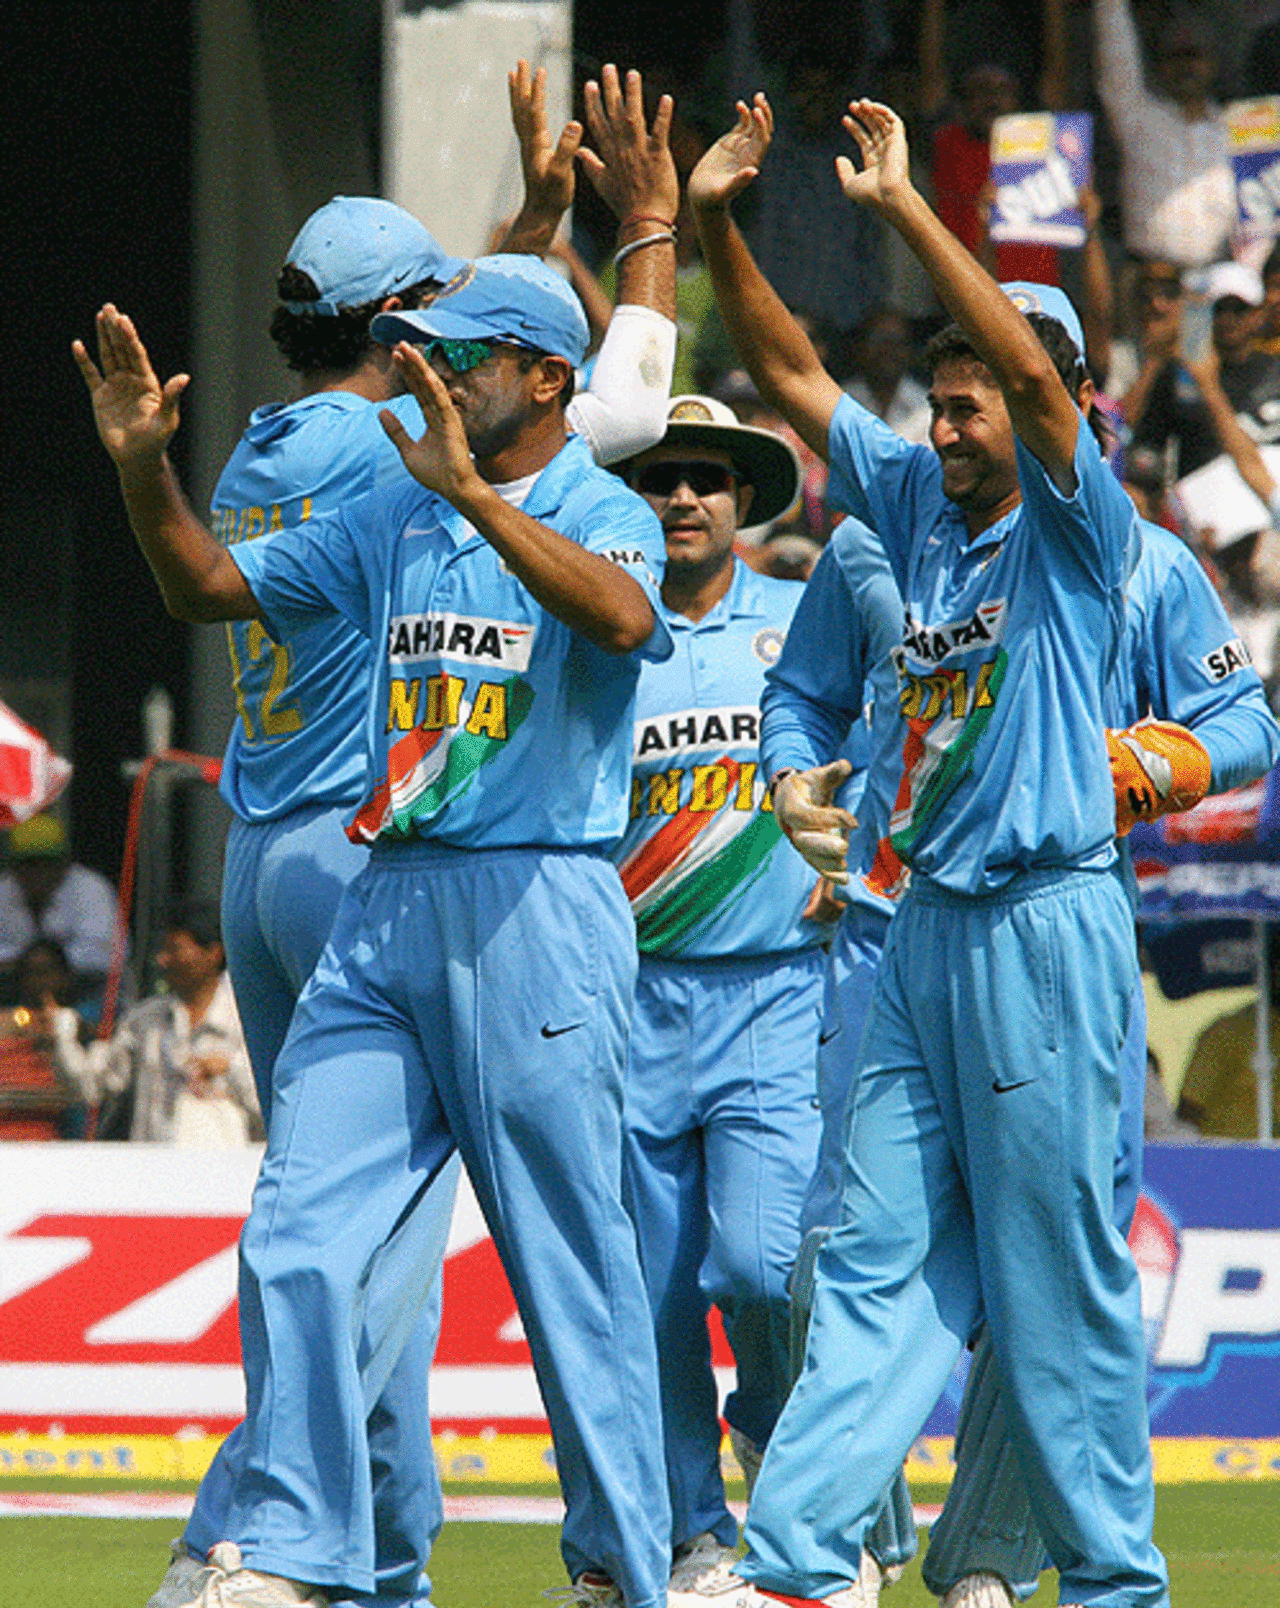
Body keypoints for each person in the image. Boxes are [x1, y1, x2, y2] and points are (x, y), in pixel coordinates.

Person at [76, 62, 682, 1608]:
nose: (431, 371)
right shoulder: (386, 489)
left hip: (532, 910)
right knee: (301, 1232)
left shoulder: (580, 501)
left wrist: (478, 486)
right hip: (381, 900)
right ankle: (292, 1551)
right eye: (415, 340)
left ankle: (625, 1566)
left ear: (534, 380)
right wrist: (141, 465)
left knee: (570, 1274)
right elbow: (208, 593)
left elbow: (621, 617)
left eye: (462, 352)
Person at [686, 93, 1169, 1606]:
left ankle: (1104, 1581)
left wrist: (904, 213)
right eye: (938, 405)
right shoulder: (910, 510)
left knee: (1052, 1289)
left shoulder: (1082, 528)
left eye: (969, 407)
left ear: (1045, 415)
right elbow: (782, 370)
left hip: (1044, 928)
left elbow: (1029, 370)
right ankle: (801, 1568)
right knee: (869, 1267)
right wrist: (714, 223)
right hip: (913, 935)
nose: (944, 427)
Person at [611, 394, 819, 1597]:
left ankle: (783, 1444)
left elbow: (895, 739)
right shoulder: (601, 629)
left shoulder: (801, 624)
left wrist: (869, 860)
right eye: (657, 478)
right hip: (631, 1002)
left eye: (707, 479)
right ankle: (695, 1535)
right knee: (645, 1302)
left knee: (755, 1269)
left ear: (743, 503)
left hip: (772, 994)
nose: (681, 496)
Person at [44, 902, 261, 1146]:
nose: (162, 960)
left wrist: (229, 1068)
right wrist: (64, 1037)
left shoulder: (250, 1019)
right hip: (154, 1170)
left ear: (213, 953)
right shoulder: (143, 1020)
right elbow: (91, 1087)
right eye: (162, 950)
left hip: (229, 1170)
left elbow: (273, 1106)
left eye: (174, 949)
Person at [1095, 0, 1234, 268]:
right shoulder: (1139, 119)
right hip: (1148, 278)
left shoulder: (1239, 131)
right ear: (1160, 65)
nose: (1185, 65)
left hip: (1220, 284)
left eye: (1193, 54)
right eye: (1174, 56)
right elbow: (1115, 55)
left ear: (1213, 61)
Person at [0, 813, 116, 1004]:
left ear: (64, 863)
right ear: (13, 866)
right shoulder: (4, 889)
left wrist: (45, 964)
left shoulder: (91, 888)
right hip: (16, 993)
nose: (38, 872)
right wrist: (32, 965)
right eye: (29, 864)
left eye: (47, 863)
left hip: (87, 992)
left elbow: (104, 955)